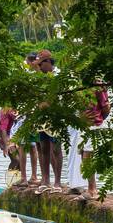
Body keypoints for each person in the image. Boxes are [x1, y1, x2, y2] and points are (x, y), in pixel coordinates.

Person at [34, 49, 63, 192]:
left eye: (40, 65)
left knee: (56, 148)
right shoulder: (40, 78)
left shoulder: (59, 75)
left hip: (56, 117)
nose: (39, 67)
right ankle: (45, 181)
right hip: (41, 118)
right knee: (44, 147)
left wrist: (47, 104)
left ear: (48, 62)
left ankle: (57, 182)